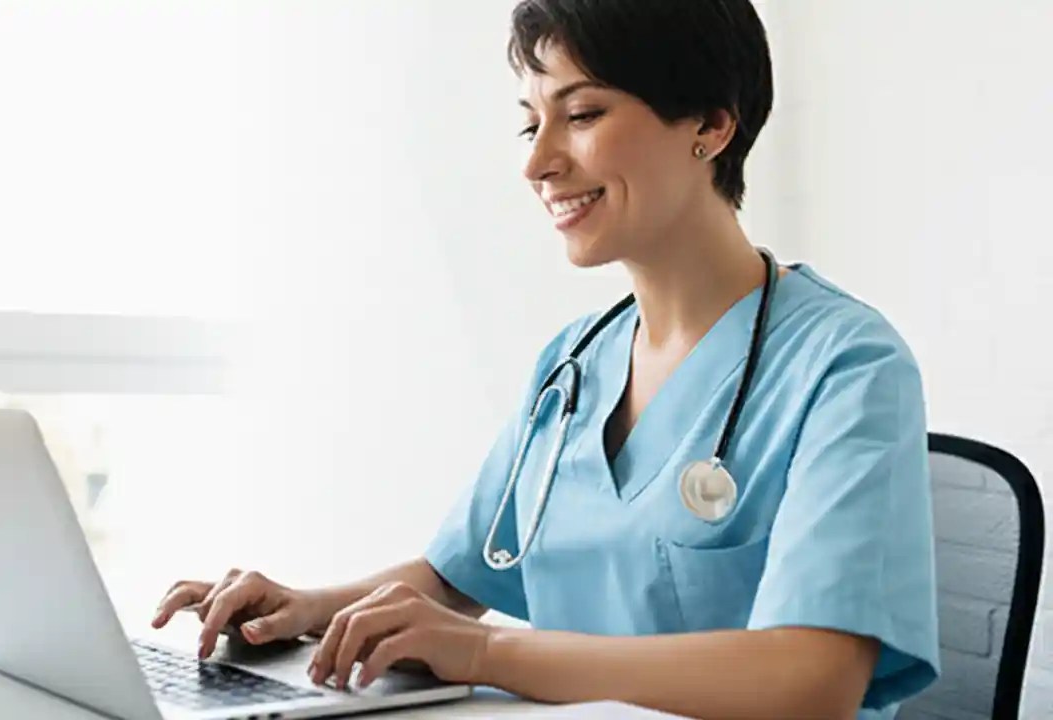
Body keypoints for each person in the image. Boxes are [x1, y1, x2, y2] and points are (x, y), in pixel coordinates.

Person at [151, 1, 940, 717]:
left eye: (583, 113)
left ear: (710, 123)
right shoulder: (574, 365)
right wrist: (306, 608)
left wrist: (491, 654)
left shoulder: (847, 365)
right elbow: (459, 579)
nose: (538, 163)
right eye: (531, 125)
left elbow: (815, 679)